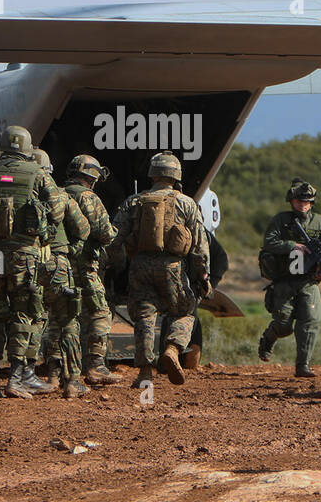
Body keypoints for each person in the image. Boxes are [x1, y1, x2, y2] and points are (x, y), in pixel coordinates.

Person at [0, 126, 65, 398]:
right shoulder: (37, 174)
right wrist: (44, 236)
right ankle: (15, 378)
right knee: (23, 312)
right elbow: (57, 209)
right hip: (24, 254)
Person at [107, 151, 210, 388]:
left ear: (152, 174)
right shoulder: (187, 204)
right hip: (172, 267)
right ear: (176, 176)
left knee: (144, 316)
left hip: (139, 266)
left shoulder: (134, 201)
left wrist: (119, 265)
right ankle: (173, 349)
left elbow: (114, 238)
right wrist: (203, 274)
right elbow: (199, 245)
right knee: (184, 311)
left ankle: (144, 372)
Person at [256, 178, 321, 377]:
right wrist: (293, 246)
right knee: (283, 325)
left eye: (307, 201)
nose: (303, 204)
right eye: (300, 200)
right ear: (291, 201)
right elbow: (269, 242)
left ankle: (303, 366)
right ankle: (269, 338)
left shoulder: (320, 222)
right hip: (285, 279)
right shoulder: (281, 220)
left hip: (308, 280)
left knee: (310, 321)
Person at [32, 149, 90, 397]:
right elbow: (83, 229)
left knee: (36, 319)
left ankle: (44, 375)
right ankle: (72, 380)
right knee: (66, 320)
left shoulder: (21, 193)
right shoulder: (61, 195)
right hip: (57, 262)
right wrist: (70, 250)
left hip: (28, 263)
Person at [61, 155, 120, 386]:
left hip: (58, 266)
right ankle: (95, 366)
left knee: (65, 317)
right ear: (92, 177)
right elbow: (105, 233)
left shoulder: (57, 192)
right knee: (99, 312)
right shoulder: (88, 197)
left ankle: (59, 369)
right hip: (84, 266)